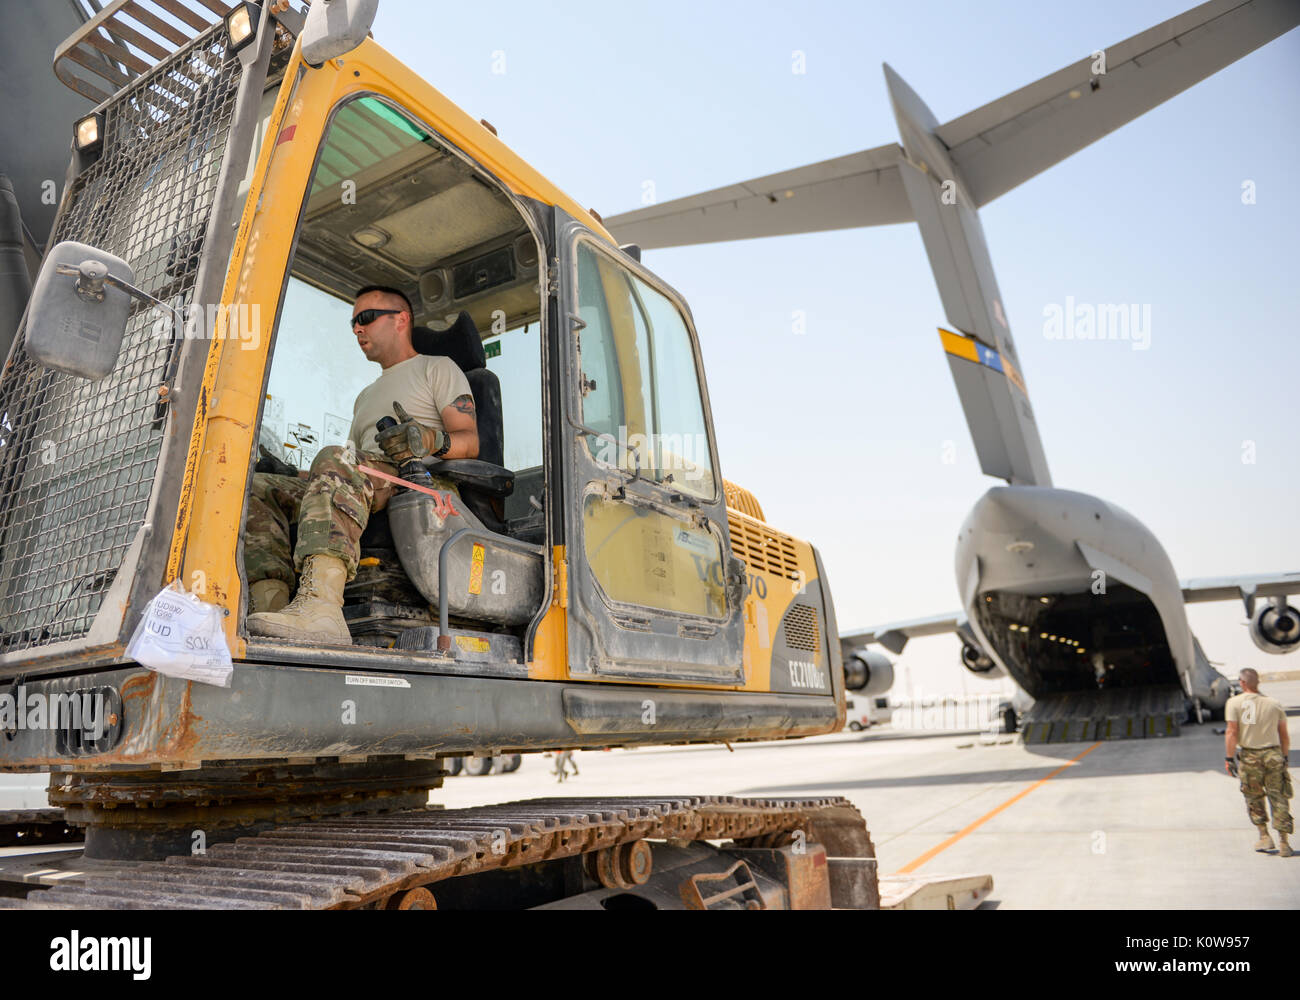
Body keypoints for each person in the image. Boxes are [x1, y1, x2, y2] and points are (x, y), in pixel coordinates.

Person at [244, 286, 479, 643]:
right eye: (353, 322)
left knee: (337, 458)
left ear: (401, 320)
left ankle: (321, 608)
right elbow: (341, 467)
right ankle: (273, 609)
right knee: (259, 489)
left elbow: (470, 441)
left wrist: (429, 440)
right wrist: (291, 475)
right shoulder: (366, 396)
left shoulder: (437, 369)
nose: (357, 329)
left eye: (365, 318)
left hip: (421, 484)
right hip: (369, 475)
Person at [1224, 668, 1293, 856]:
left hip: (1250, 757)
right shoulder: (1274, 704)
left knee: (1254, 797)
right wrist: (1285, 757)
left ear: (1243, 683)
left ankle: (1264, 836)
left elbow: (1231, 732)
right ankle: (1284, 843)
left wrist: (1229, 758)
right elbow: (1284, 735)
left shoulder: (1234, 703)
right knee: (1278, 797)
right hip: (1273, 755)